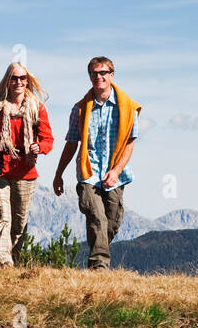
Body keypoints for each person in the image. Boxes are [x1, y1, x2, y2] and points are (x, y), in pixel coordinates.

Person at [52, 56, 141, 270]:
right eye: (94, 73)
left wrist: (116, 171)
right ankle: (99, 267)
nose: (98, 77)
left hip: (115, 174)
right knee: (96, 217)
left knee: (111, 222)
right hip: (88, 172)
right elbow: (71, 143)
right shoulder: (80, 109)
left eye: (102, 73)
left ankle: (96, 260)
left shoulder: (127, 107)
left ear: (111, 75)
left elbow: (130, 143)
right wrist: (59, 174)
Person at [0, 62, 53, 266]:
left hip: (25, 170)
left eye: (22, 78)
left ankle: (14, 260)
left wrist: (39, 147)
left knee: (19, 222)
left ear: (28, 81)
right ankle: (4, 261)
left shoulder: (37, 107)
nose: (18, 82)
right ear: (7, 80)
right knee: (2, 215)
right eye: (14, 78)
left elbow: (48, 139)